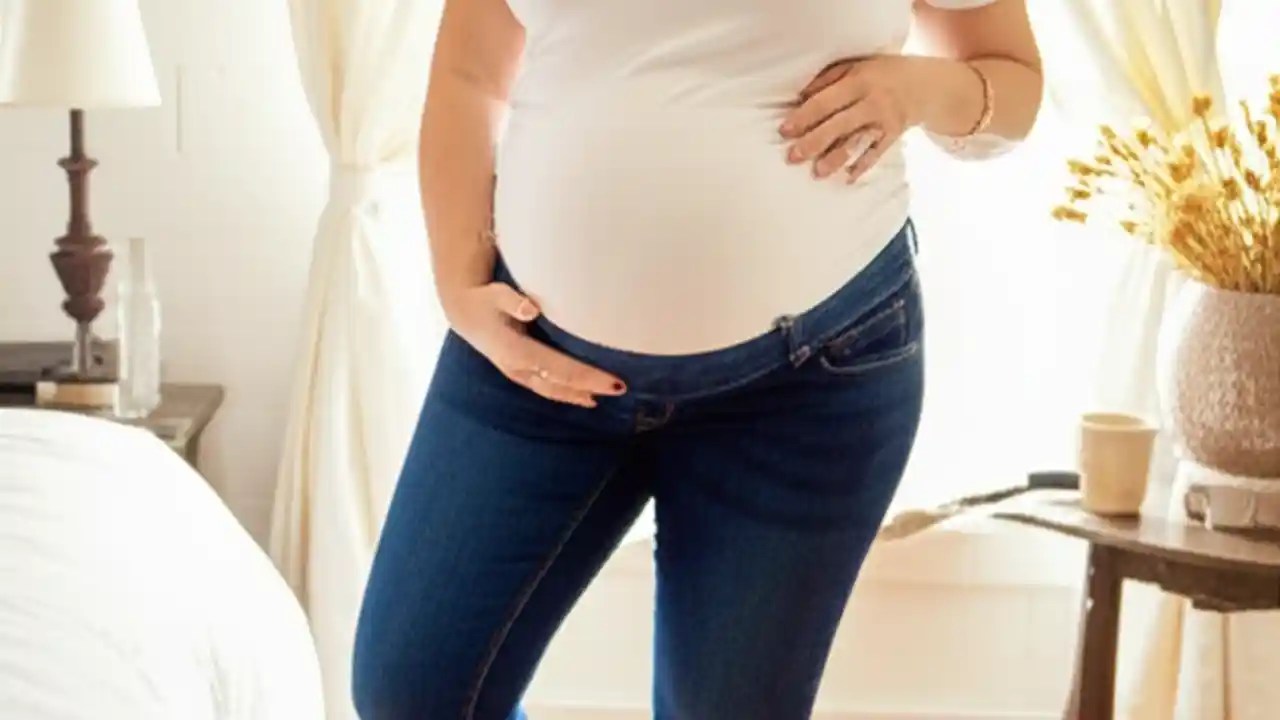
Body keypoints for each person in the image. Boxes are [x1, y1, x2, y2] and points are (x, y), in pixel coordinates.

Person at [353, 0, 1042, 717]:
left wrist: (921, 90)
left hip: (807, 386)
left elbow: (1013, 81)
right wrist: (458, 278)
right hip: (531, 363)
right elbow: (470, 75)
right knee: (413, 694)